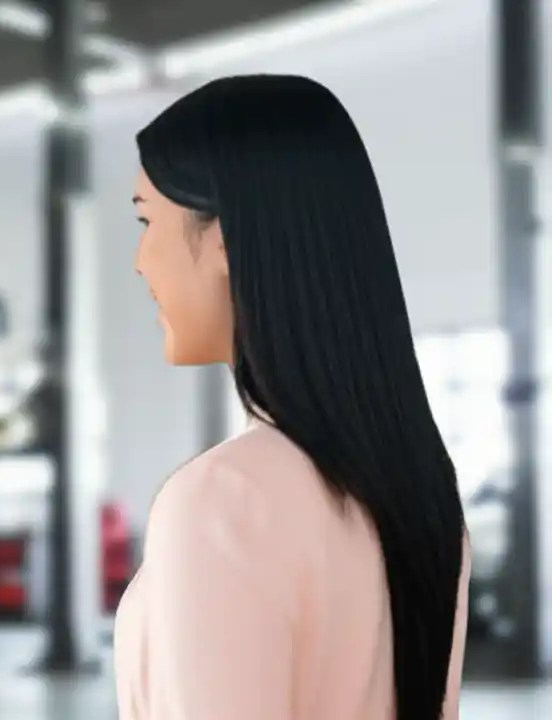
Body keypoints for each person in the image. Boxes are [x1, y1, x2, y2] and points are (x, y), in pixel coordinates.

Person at [115, 74, 470, 720]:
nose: (140, 260)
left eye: (147, 220)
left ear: (223, 235)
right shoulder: (423, 490)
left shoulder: (222, 499)